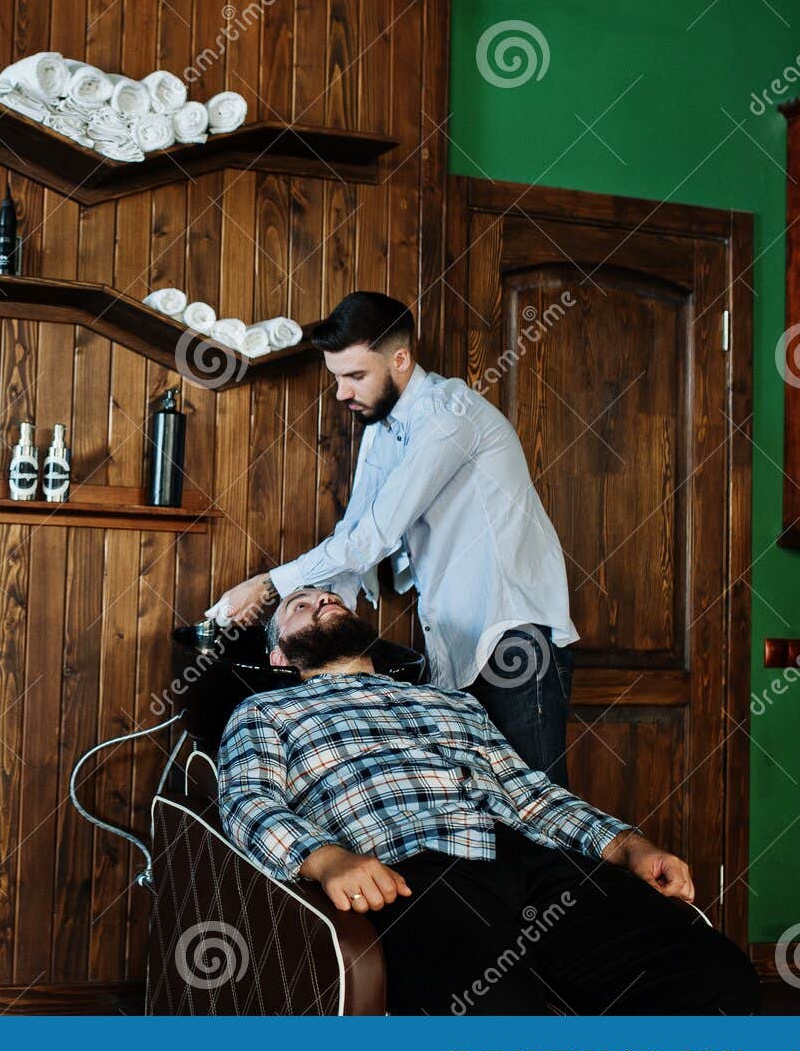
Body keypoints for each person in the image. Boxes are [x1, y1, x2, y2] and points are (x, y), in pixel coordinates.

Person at [216, 585, 759, 1015]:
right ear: (279, 656)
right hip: (410, 878)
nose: (324, 601)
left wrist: (628, 847)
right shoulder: (266, 714)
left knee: (717, 981)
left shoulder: (452, 702)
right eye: (300, 604)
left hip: (528, 863)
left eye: (329, 595)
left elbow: (532, 797)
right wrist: (326, 859)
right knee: (496, 1020)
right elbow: (248, 801)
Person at [211, 291, 579, 785]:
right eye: (336, 377)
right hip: (454, 643)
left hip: (513, 636)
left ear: (400, 359)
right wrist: (307, 623)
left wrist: (268, 584)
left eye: (355, 376)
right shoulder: (381, 431)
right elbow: (354, 535)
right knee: (483, 807)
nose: (341, 392)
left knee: (540, 808)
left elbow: (376, 536)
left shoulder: (450, 416)